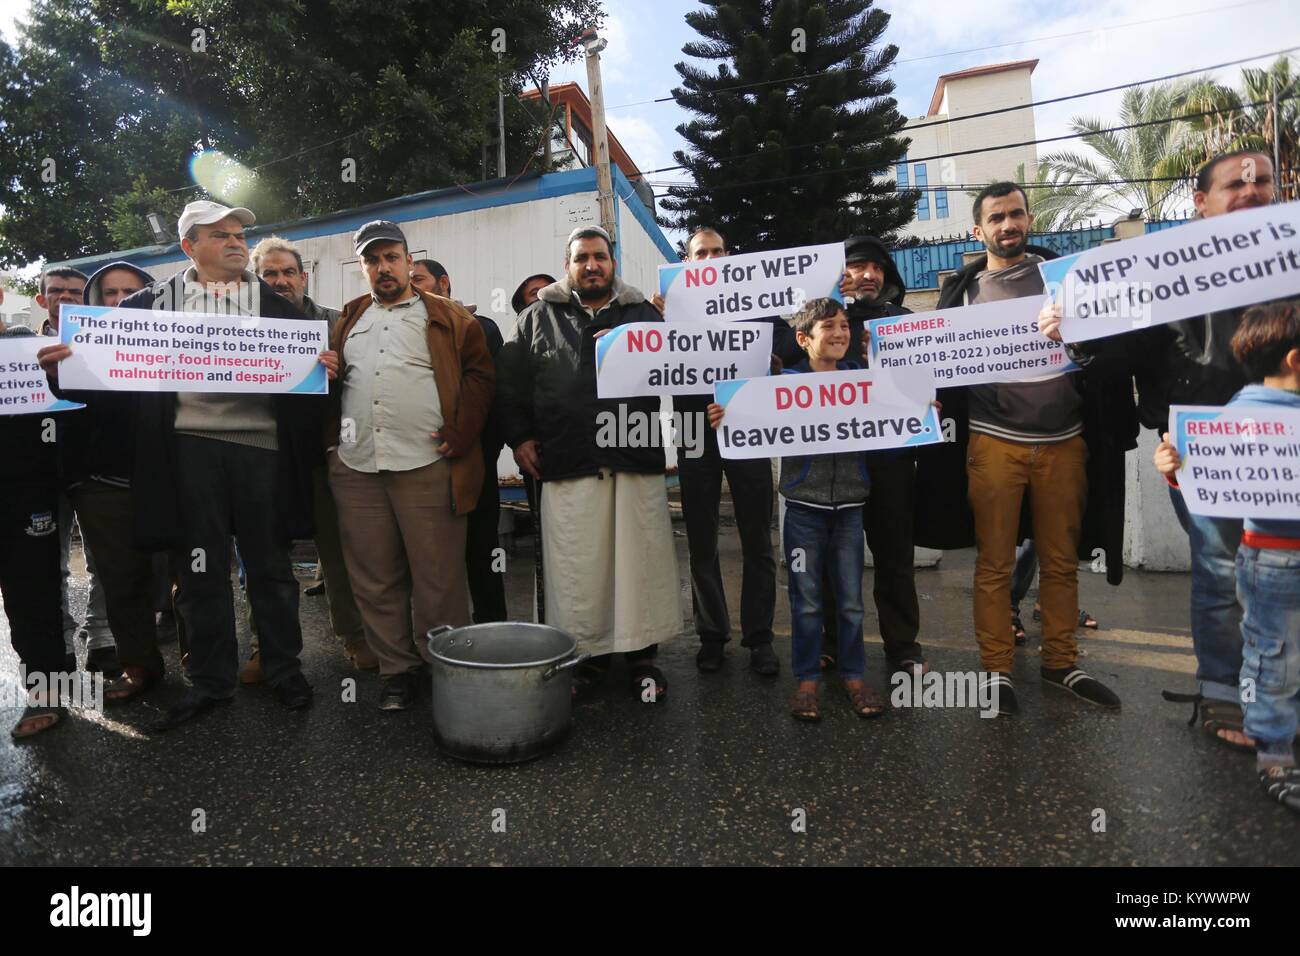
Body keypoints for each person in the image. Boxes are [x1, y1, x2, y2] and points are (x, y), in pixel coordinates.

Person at [40, 200, 338, 731]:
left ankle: (283, 670)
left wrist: (325, 368)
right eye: (219, 234)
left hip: (262, 452)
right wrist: (62, 371)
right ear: (188, 246)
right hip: (188, 450)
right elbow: (101, 375)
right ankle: (210, 682)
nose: (235, 242)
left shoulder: (279, 306)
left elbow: (309, 384)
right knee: (200, 573)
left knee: (270, 567)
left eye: (239, 233)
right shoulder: (149, 305)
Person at [1041, 149, 1276, 748]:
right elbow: (1120, 352)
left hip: (1289, 443)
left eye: (1263, 181)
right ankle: (1224, 696)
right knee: (1223, 573)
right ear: (1200, 202)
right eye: (1234, 184)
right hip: (1203, 451)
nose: (1251, 190)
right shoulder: (1163, 273)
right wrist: (1074, 334)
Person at [916, 181, 1133, 715]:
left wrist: (1076, 339)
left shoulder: (1068, 280)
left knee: (1060, 562)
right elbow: (934, 367)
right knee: (993, 564)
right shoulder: (962, 294)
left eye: (1016, 214)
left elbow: (1108, 352)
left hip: (1065, 445)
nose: (1008, 225)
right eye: (997, 218)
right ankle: (996, 671)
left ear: (1029, 219)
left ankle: (1061, 662)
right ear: (978, 230)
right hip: (993, 445)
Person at [496, 226, 681, 699]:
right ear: (568, 266)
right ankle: (586, 659)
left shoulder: (643, 314)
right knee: (579, 568)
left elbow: (684, 371)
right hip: (567, 457)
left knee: (637, 563)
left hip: (632, 457)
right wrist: (520, 439)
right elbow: (511, 386)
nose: (592, 265)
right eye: (582, 258)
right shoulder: (537, 317)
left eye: (600, 256)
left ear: (612, 262)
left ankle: (642, 657)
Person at [327, 221, 494, 711]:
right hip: (357, 467)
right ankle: (397, 671)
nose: (383, 268)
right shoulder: (350, 318)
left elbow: (481, 375)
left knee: (437, 576)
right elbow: (335, 383)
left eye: (391, 257)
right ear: (363, 268)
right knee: (375, 577)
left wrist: (463, 432)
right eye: (372, 261)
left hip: (427, 462)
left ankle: (446, 668)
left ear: (407, 259)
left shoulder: (448, 316)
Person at [1152, 300, 1300, 815]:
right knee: (1272, 654)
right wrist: (1175, 466)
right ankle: (1275, 751)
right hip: (1271, 564)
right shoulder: (1236, 413)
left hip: (1270, 561)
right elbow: (1208, 479)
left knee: (1277, 652)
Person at [711, 297, 885, 719]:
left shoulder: (867, 379)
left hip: (850, 508)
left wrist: (922, 411)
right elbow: (746, 415)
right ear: (804, 339)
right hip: (803, 510)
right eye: (829, 327)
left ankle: (854, 675)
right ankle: (806, 681)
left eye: (844, 325)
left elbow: (899, 414)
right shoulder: (782, 384)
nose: (840, 333)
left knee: (850, 601)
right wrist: (724, 415)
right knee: (806, 600)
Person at [246, 236, 376, 675]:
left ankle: (355, 638)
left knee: (337, 552)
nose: (280, 281)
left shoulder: (336, 323)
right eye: (269, 274)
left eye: (287, 273)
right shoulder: (234, 327)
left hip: (322, 455)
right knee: (265, 559)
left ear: (303, 277)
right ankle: (268, 648)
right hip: (261, 455)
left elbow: (364, 388)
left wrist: (337, 372)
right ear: (254, 279)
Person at [39, 261, 169, 700]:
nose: (120, 302)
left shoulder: (181, 345)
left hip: (173, 476)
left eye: (131, 293)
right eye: (110, 294)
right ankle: (138, 666)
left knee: (188, 579)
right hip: (104, 485)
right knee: (121, 578)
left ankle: (206, 666)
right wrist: (57, 377)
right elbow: (69, 399)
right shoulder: (77, 355)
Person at [654, 227, 780, 676]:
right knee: (702, 540)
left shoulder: (759, 308)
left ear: (730, 256)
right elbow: (647, 363)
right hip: (693, 428)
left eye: (718, 251)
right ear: (688, 263)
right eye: (700, 253)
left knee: (757, 540)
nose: (710, 258)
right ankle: (711, 637)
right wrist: (659, 322)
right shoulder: (668, 312)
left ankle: (760, 638)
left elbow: (787, 352)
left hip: (747, 427)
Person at [410, 258, 508, 623]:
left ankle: (492, 631)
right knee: (431, 558)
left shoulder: (480, 328)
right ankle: (441, 639)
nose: (411, 287)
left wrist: (476, 447)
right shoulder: (404, 333)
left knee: (482, 551)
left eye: (418, 279)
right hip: (418, 463)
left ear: (444, 283)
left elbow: (495, 398)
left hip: (473, 461)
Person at [36, 267, 116, 674]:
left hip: (92, 466)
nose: (65, 298)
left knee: (102, 557)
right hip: (38, 471)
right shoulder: (17, 346)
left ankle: (102, 635)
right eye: (56, 291)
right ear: (41, 300)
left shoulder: (107, 345)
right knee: (50, 561)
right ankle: (61, 638)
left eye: (74, 292)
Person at [2, 323, 67, 738]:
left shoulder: (27, 346)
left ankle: (46, 693)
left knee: (34, 597)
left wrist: (55, 377)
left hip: (23, 492)